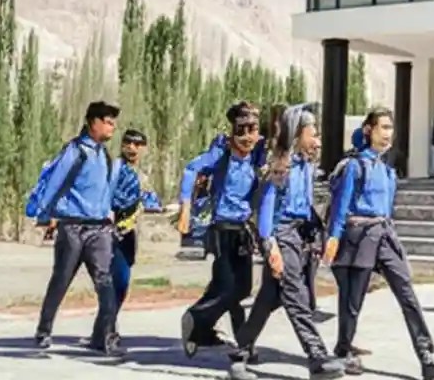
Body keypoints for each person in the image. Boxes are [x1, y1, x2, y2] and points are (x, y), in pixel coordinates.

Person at [324, 108, 434, 379]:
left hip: (384, 236)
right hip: (359, 236)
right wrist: (333, 238)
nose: (388, 133)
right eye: (382, 127)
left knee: (407, 292)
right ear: (369, 131)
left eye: (390, 128)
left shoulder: (387, 170)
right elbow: (340, 206)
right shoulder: (354, 166)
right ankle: (343, 349)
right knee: (353, 300)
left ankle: (426, 356)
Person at [230, 105, 345, 380]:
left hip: (299, 236)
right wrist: (271, 248)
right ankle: (317, 357)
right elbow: (267, 208)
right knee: (295, 296)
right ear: (297, 134)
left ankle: (239, 354)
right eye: (312, 134)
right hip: (281, 235)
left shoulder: (306, 165)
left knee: (268, 298)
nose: (317, 140)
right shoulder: (281, 165)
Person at [32, 101, 122, 355]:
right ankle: (44, 329)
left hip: (99, 230)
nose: (112, 128)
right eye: (108, 122)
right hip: (72, 227)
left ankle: (107, 336)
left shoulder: (104, 154)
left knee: (106, 283)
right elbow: (55, 183)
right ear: (93, 122)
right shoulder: (75, 151)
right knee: (61, 279)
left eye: (114, 124)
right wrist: (47, 215)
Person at [177, 102, 264, 357]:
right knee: (228, 287)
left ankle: (233, 340)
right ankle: (196, 318)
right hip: (222, 228)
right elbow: (192, 168)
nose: (248, 137)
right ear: (232, 131)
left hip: (243, 231)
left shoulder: (257, 155)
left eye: (253, 130)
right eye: (242, 130)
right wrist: (185, 206)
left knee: (241, 288)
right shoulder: (221, 155)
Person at [109, 129, 162, 337]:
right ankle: (107, 328)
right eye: (128, 143)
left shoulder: (142, 175)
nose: (132, 148)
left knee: (121, 283)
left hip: (129, 234)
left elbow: (150, 201)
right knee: (115, 282)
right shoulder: (115, 168)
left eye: (137, 144)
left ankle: (106, 325)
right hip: (111, 232)